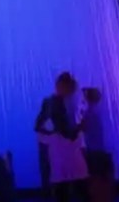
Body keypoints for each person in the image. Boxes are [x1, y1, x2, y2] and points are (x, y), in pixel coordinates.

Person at [35, 73, 87, 202]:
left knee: (75, 183)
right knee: (66, 185)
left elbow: (39, 126)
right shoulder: (52, 103)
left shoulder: (73, 103)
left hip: (68, 147)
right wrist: (52, 133)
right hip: (61, 148)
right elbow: (38, 125)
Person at [82, 88, 114, 202]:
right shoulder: (101, 112)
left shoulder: (89, 113)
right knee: (104, 177)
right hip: (103, 149)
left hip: (94, 150)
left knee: (95, 176)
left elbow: (84, 129)